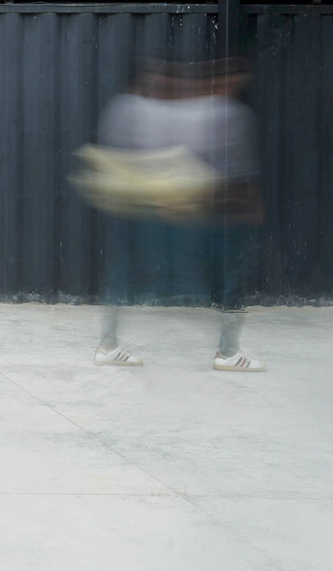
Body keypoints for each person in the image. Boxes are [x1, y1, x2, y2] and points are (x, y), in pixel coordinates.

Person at [75, 58, 266, 372]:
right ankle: (228, 352)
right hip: (182, 208)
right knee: (227, 276)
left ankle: (109, 344)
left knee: (124, 272)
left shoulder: (135, 107)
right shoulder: (220, 111)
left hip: (142, 206)